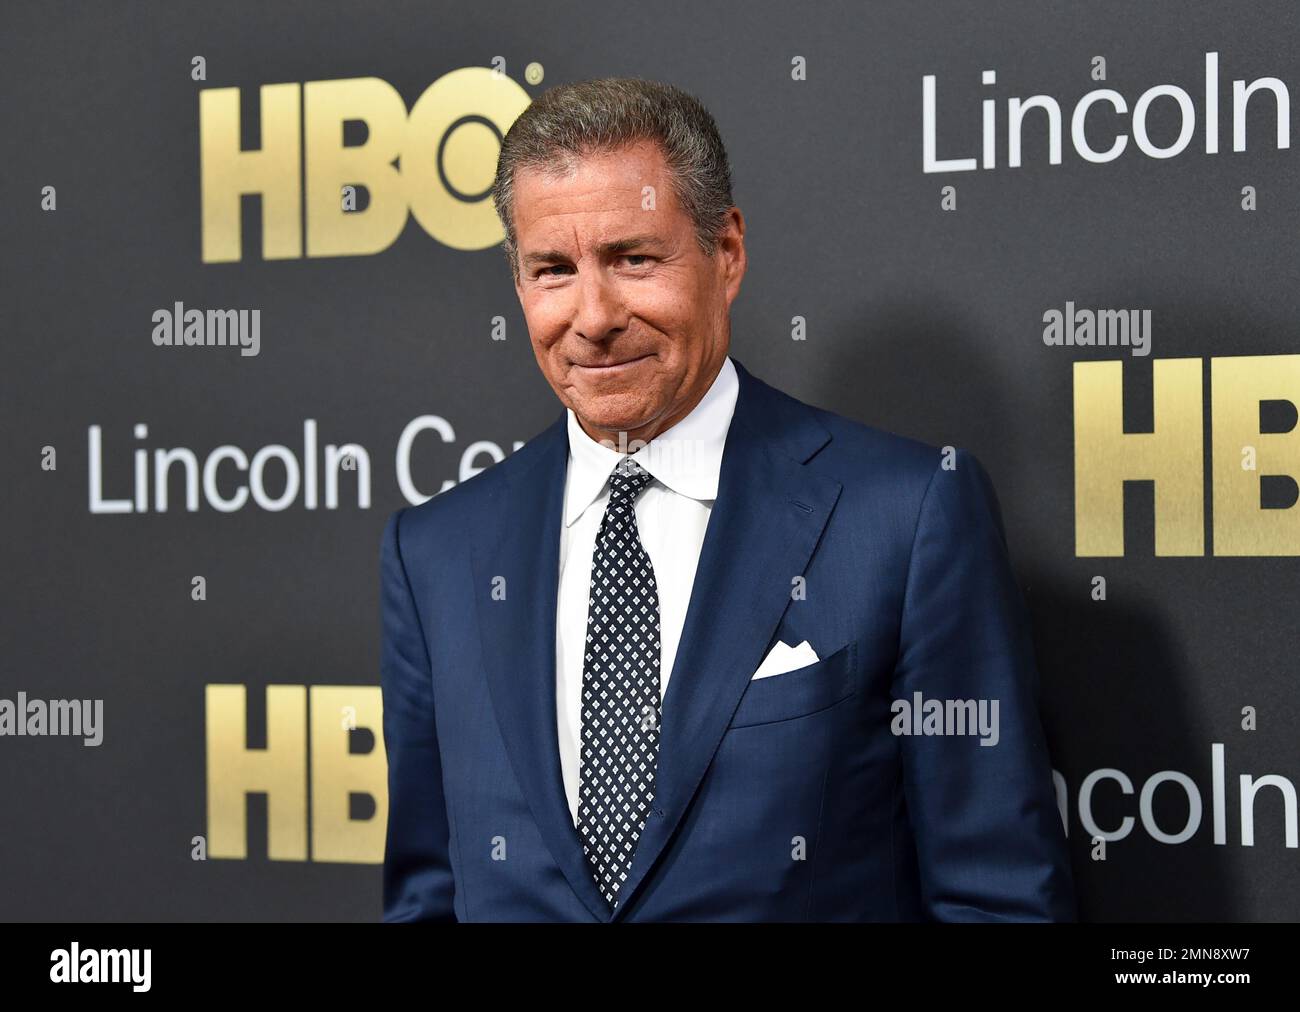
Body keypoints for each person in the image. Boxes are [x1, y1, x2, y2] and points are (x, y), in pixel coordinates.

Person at [379, 76, 1076, 921]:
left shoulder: (906, 516)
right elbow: (427, 897)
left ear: (727, 254)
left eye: (634, 258)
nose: (593, 316)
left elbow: (995, 898)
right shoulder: (438, 551)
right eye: (552, 269)